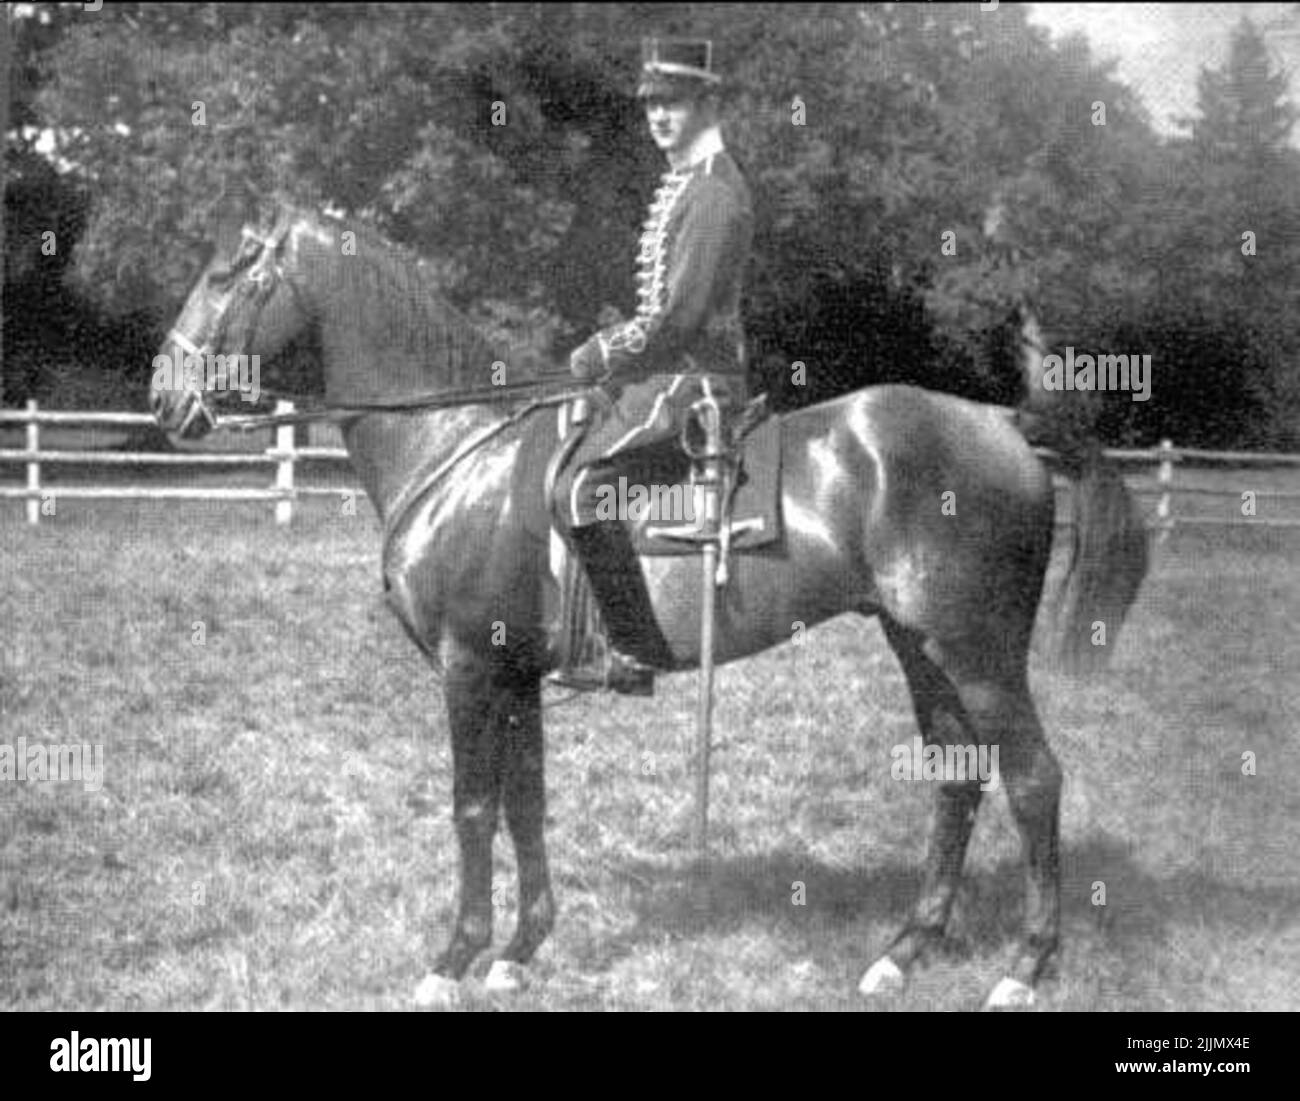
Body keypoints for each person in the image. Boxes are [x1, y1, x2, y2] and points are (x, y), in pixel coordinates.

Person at [560, 37, 754, 694]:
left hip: (696, 380)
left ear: (707, 102)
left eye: (673, 102)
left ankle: (634, 650)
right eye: (652, 105)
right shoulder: (687, 185)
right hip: (669, 372)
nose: (659, 117)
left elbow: (680, 318)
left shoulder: (714, 195)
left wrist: (604, 351)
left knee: (588, 490)